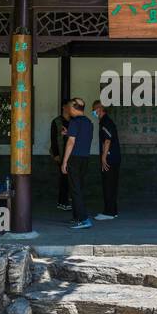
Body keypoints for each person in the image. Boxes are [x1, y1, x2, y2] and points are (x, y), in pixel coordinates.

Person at [60, 97, 93, 229]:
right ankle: (77, 217)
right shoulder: (89, 122)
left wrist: (64, 162)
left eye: (69, 107)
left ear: (74, 108)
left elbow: (71, 142)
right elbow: (81, 138)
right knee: (78, 189)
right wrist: (68, 133)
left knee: (75, 189)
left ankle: (83, 219)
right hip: (85, 158)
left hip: (74, 158)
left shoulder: (74, 122)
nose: (68, 110)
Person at [92, 100, 120, 220]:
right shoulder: (105, 121)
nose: (93, 112)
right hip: (113, 157)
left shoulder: (105, 122)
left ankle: (109, 213)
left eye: (94, 109)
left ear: (100, 108)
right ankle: (112, 211)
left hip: (110, 157)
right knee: (111, 185)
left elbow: (107, 140)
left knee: (108, 185)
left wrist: (103, 157)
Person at [49, 100, 72, 211]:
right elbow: (53, 139)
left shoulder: (73, 120)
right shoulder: (57, 122)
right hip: (61, 153)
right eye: (69, 106)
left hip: (72, 153)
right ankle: (62, 201)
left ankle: (66, 200)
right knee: (64, 178)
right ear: (63, 107)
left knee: (69, 178)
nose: (70, 108)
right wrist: (56, 154)